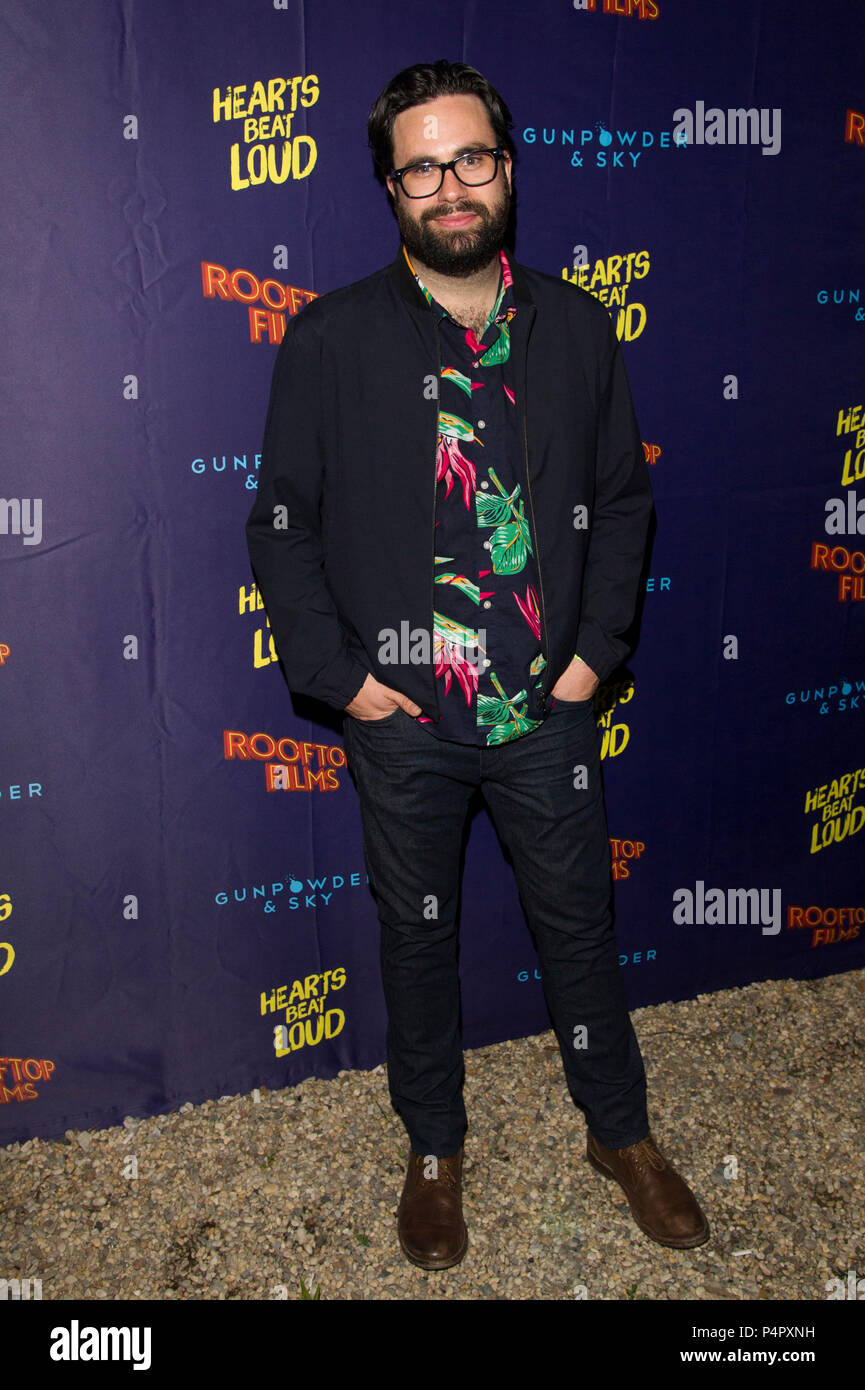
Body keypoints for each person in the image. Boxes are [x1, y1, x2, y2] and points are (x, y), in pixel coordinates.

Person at [246, 59, 709, 1271]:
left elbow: (621, 501)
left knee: (580, 928)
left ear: (506, 168)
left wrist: (593, 655)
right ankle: (433, 1151)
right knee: (417, 941)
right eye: (422, 168)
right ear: (389, 188)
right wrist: (344, 679)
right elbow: (281, 523)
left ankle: (619, 1133)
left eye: (471, 159)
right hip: (402, 718)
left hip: (547, 711)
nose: (450, 186)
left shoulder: (578, 327)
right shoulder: (331, 337)